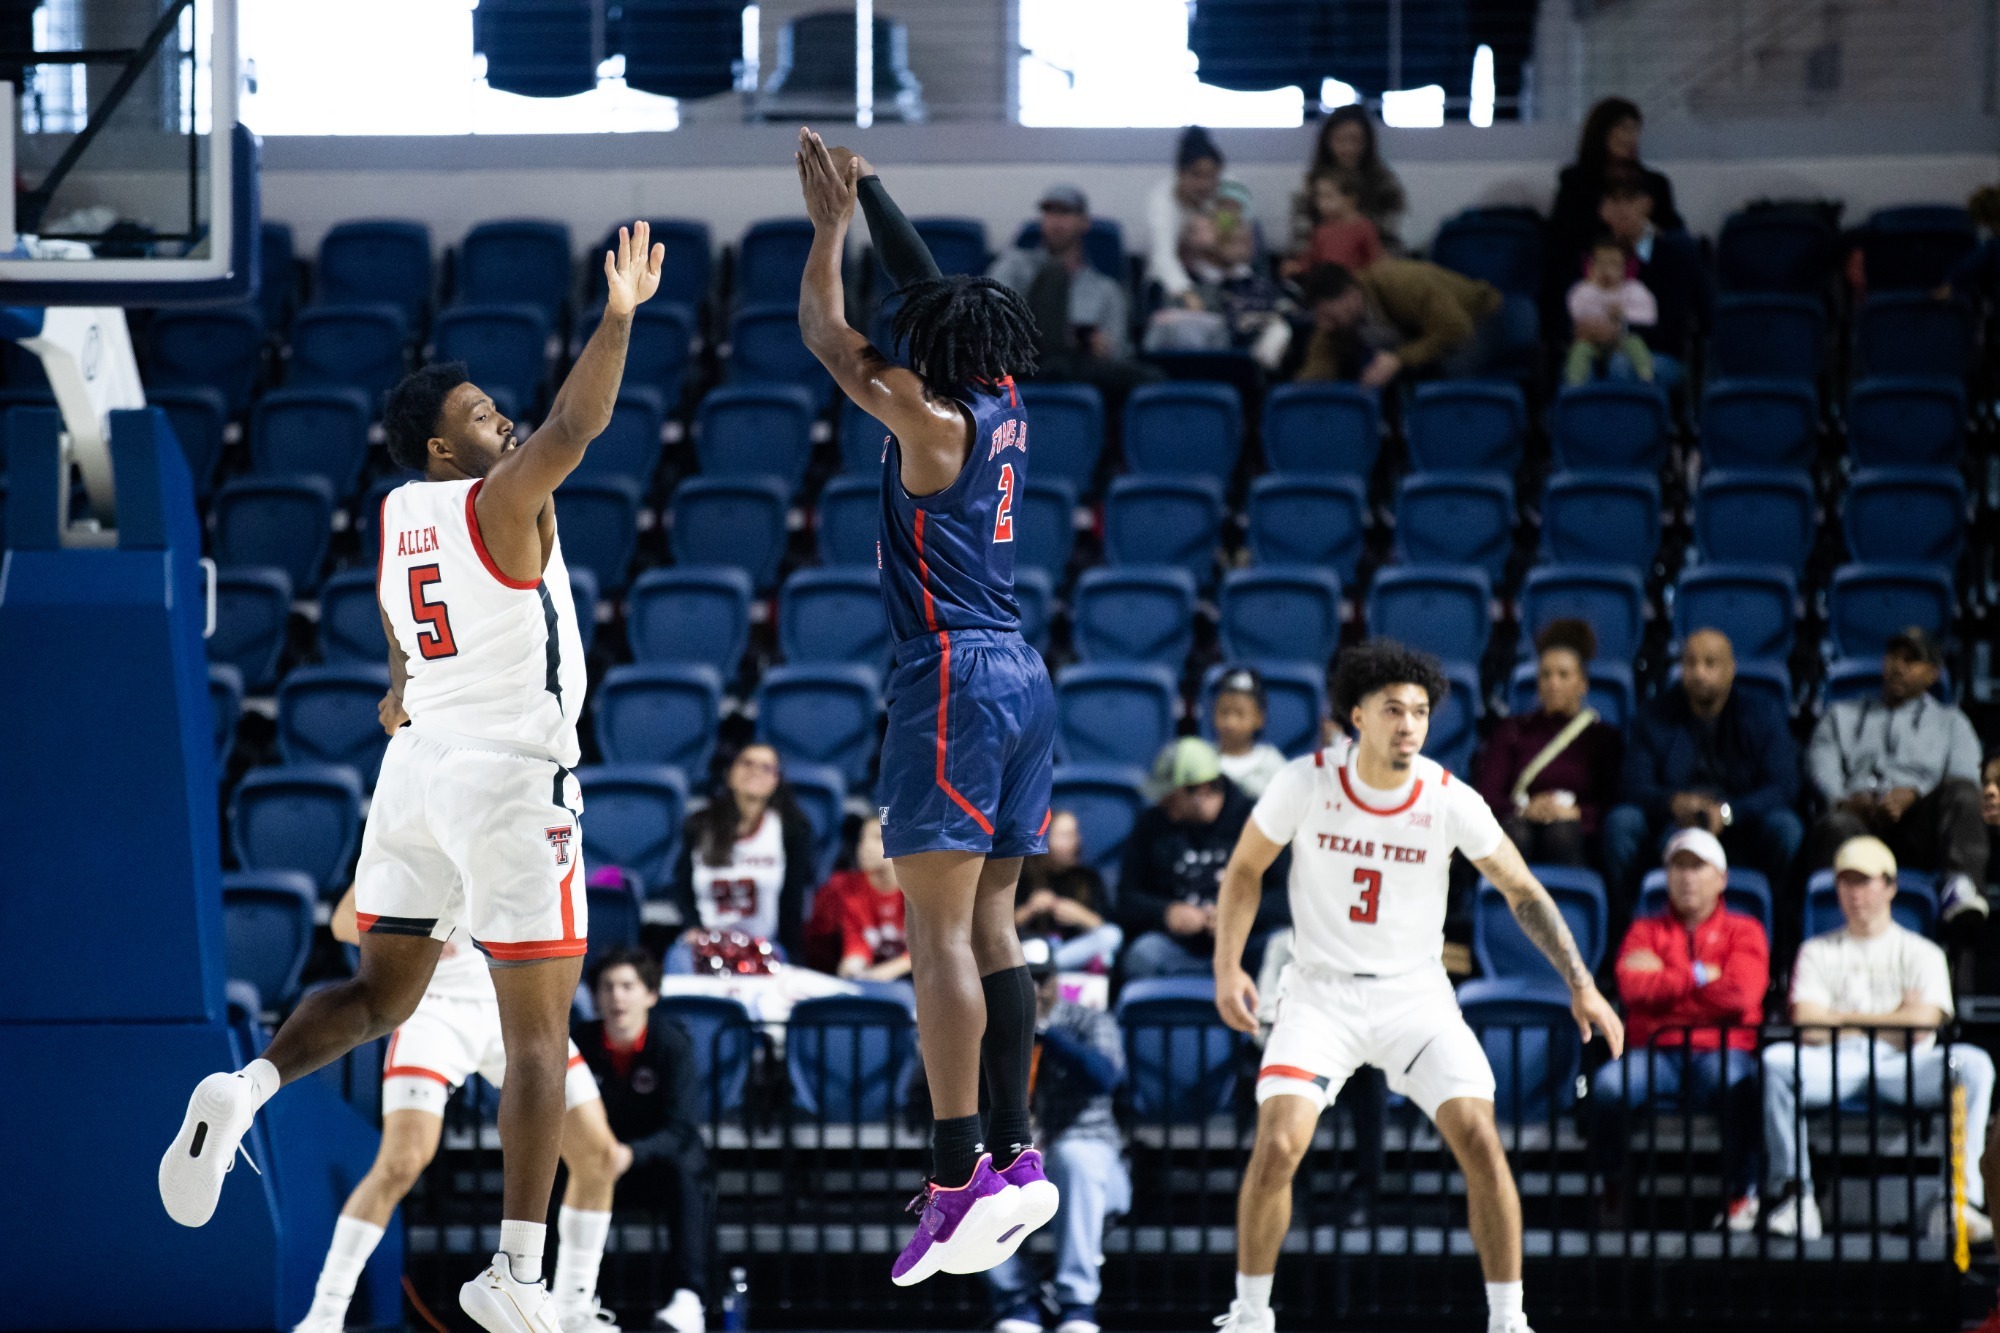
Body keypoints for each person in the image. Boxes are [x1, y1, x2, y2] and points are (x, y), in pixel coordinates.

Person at [160, 224, 665, 1333]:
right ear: (445, 451)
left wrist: (398, 691)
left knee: (383, 994)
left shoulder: (398, 515)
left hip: (416, 772)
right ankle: (517, 1276)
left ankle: (245, 1089)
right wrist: (618, 314)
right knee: (537, 1034)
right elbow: (581, 422)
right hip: (509, 780)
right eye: (484, 416)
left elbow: (400, 643)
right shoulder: (496, 501)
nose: (506, 422)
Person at [795, 129, 1058, 1285]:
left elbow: (825, 333)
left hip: (948, 674)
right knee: (993, 923)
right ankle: (1011, 1156)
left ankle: (955, 1180)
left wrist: (823, 227)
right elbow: (929, 289)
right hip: (1020, 671)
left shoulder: (925, 416)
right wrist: (873, 188)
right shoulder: (997, 391)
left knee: (934, 937)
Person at [1210, 640, 1622, 1333]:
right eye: (1393, 709)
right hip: (1320, 992)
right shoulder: (1304, 781)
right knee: (1279, 1143)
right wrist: (1227, 964)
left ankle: (1508, 1318)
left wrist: (1581, 983)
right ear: (1356, 716)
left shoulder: (1447, 797)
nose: (1409, 724)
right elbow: (1245, 870)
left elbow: (1522, 888)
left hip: (1415, 997)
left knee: (1480, 1138)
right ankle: (1250, 1312)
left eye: (1421, 711)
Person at [291, 889, 626, 1333]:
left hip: (517, 1005)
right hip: (436, 1010)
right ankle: (325, 1314)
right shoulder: (417, 823)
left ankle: (573, 1310)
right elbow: (342, 919)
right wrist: (412, 938)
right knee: (401, 1163)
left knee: (598, 1156)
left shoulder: (530, 825)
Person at [1761, 836, 1994, 1242]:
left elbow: (1925, 1022)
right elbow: (1807, 1022)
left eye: (1866, 881)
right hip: (1836, 1062)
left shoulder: (1922, 952)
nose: (1856, 893)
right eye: (1847, 882)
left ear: (1889, 886)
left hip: (1904, 1065)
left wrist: (1840, 1018)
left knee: (1972, 1064)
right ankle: (1797, 1197)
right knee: (1776, 1062)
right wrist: (1893, 1019)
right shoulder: (1817, 950)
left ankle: (1958, 1201)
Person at [1588, 829, 1766, 1231]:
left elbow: (1740, 994)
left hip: (1722, 1047)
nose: (1687, 877)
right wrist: (1703, 976)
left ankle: (1742, 1192)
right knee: (1608, 1088)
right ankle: (1612, 1183)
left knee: (1740, 1085)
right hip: (1654, 1051)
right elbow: (1633, 989)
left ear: (1721, 878)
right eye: (1678, 867)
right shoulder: (1643, 930)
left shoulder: (1746, 930)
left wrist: (1666, 984)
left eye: (1697, 867)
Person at [984, 939, 1131, 1333]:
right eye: (1021, 981)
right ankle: (1015, 1300)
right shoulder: (990, 1029)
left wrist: (1047, 1033)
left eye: (1040, 979)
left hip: (1091, 1166)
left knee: (1075, 1157)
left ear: (1056, 981)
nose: (1031, 989)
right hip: (1021, 1159)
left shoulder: (1087, 1021)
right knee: (980, 1171)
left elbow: (1106, 1078)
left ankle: (1077, 1303)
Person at [1602, 629, 1803, 908]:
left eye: (1710, 663)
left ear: (1731, 669)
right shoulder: (1655, 715)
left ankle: (1781, 926)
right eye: (1690, 663)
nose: (1698, 673)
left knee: (1786, 827)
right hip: (1673, 820)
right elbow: (1633, 784)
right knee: (1621, 822)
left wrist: (1729, 812)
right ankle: (1627, 922)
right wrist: (1672, 802)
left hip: (1741, 821)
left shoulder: (1761, 714)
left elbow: (1784, 786)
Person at [571, 948, 715, 1333]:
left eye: (627, 986)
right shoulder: (579, 1045)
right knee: (554, 1172)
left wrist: (631, 1154)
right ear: (595, 996)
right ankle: (571, 1300)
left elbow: (682, 1128)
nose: (617, 996)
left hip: (651, 1166)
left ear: (650, 994)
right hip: (596, 1165)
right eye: (607, 987)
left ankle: (688, 1299)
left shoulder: (671, 1045)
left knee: (690, 1167)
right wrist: (597, 1155)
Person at [1806, 628, 1990, 924]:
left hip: (1921, 829)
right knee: (1834, 823)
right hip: (1859, 821)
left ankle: (1961, 888)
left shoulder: (1952, 723)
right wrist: (1845, 801)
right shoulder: (1840, 715)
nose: (1899, 667)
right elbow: (1821, 766)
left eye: (1912, 660)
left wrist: (1915, 793)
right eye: (1893, 656)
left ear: (1932, 674)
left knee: (1964, 795)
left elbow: (1964, 775)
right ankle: (1832, 919)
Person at [1116, 737, 1291, 982]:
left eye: (1170, 799)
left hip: (1245, 946)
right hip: (1175, 949)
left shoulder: (1258, 821)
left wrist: (1237, 914)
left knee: (1283, 948)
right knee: (1142, 953)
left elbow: (1287, 896)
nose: (1164, 807)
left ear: (1202, 790)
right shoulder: (1152, 824)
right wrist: (1166, 913)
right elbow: (1127, 898)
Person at [987, 184, 1161, 405]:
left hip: (1078, 367)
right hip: (1021, 362)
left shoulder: (1105, 288)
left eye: (1065, 212)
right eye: (1049, 212)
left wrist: (1102, 346)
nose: (1056, 221)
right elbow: (989, 317)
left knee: (1151, 378)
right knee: (1054, 274)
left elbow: (1119, 351)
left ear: (1084, 222)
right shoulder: (1014, 265)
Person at [1472, 619, 1624, 867]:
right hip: (1519, 824)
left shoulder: (1602, 737)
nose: (1553, 683)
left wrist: (1576, 813)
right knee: (1516, 834)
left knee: (1560, 835)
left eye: (1563, 675)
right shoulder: (1512, 730)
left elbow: (1613, 802)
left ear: (1582, 684)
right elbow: (1487, 796)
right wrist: (1524, 808)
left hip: (1575, 835)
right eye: (1546, 675)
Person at [667, 743, 815, 972]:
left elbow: (793, 900)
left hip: (765, 945)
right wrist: (693, 927)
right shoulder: (700, 824)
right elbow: (682, 886)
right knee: (677, 963)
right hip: (704, 944)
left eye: (766, 767)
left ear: (776, 781)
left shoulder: (791, 829)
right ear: (730, 773)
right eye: (747, 763)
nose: (755, 771)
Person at [1287, 260, 1525, 387]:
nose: (1324, 325)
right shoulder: (1333, 321)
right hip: (1420, 336)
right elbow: (1321, 358)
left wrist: (1400, 359)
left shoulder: (1402, 285)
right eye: (1319, 317)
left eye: (1328, 316)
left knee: (1451, 372)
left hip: (1479, 318)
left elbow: (1455, 329)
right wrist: (1305, 392)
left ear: (1351, 296)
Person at [1548, 97, 1683, 291]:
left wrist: (1642, 228)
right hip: (1593, 265)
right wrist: (1607, 223)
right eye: (1621, 128)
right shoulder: (1575, 180)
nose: (1629, 137)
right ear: (1601, 132)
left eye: (1634, 129)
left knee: (1680, 252)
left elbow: (1672, 231)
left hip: (1645, 263)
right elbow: (1562, 235)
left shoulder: (1655, 183)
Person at [1593, 179, 1709, 389]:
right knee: (1574, 370)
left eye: (1628, 200)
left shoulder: (1673, 254)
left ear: (1647, 204)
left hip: (1656, 352)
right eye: (1612, 200)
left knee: (1623, 365)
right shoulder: (1594, 255)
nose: (1620, 209)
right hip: (1599, 348)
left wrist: (1619, 332)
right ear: (1602, 209)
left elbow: (1672, 326)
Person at [803, 813, 912, 981]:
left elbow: (929, 953)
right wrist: (852, 971)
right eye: (863, 839)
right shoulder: (844, 888)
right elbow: (855, 950)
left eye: (878, 838)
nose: (866, 846)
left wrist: (879, 974)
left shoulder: (920, 893)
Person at [1016, 810, 1121, 972]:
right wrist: (1030, 909)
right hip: (1030, 950)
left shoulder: (1088, 878)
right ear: (1044, 839)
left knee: (1112, 936)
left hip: (1071, 955)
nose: (1074, 842)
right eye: (1065, 836)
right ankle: (1045, 966)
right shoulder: (1023, 875)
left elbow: (1107, 928)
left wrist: (1081, 916)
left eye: (1075, 834)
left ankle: (1049, 965)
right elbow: (1000, 928)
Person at [1290, 106, 1407, 251]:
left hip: (1375, 262)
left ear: (1367, 142)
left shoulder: (1384, 183)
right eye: (1339, 140)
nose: (1347, 148)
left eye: (1355, 140)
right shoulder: (1311, 183)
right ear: (1327, 142)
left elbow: (1390, 238)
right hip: (1323, 261)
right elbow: (1301, 241)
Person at [1148, 126, 1227, 308]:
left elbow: (1227, 253)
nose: (1204, 185)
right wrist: (1187, 294)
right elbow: (1163, 258)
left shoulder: (1218, 201)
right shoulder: (1162, 200)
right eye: (1197, 175)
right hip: (1166, 286)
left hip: (1210, 282)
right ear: (1180, 173)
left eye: (1211, 177)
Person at [1563, 237, 1656, 385]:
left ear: (1625, 268)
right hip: (1592, 342)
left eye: (1614, 264)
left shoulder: (1635, 289)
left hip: (1621, 343)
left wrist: (1623, 316)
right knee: (1579, 350)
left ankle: (1646, 379)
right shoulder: (1582, 290)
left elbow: (1648, 317)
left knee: (1636, 344)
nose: (1607, 270)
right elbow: (1576, 313)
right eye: (1601, 264)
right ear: (1591, 266)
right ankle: (1574, 390)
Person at [1286, 171, 1384, 277]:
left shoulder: (1363, 227)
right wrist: (1296, 267)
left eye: (1328, 196)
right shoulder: (1321, 230)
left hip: (1354, 286)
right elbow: (1311, 260)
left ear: (1350, 199)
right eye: (1319, 197)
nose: (1321, 203)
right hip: (1325, 285)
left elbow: (1374, 262)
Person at [1212, 666, 1289, 799]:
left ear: (1259, 718)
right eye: (1224, 712)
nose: (1230, 722)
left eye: (1239, 714)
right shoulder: (1204, 759)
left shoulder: (1273, 764)